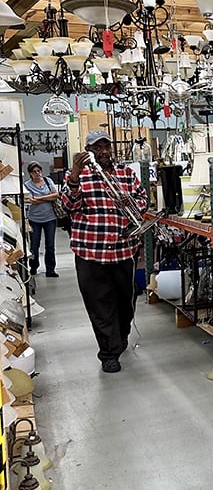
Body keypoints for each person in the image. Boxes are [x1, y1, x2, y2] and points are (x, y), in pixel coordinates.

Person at [61, 130, 148, 374]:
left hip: (123, 250)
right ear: (89, 151)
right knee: (100, 305)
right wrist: (76, 176)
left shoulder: (125, 173)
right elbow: (66, 206)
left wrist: (129, 204)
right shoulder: (77, 176)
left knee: (125, 302)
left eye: (106, 147)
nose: (103, 152)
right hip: (91, 252)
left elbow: (142, 199)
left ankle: (120, 337)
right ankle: (108, 353)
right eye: (97, 148)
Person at [24, 161, 59, 278]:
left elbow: (55, 195)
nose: (37, 173)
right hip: (34, 219)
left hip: (50, 218)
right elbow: (31, 200)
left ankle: (50, 269)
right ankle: (33, 266)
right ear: (30, 173)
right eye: (34, 172)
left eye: (39, 171)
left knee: (50, 245)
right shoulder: (27, 185)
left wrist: (40, 198)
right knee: (34, 245)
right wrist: (48, 197)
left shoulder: (48, 181)